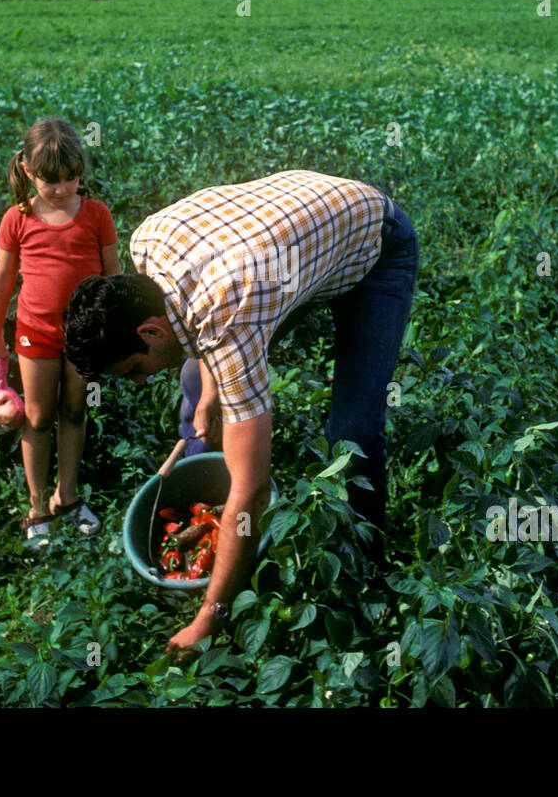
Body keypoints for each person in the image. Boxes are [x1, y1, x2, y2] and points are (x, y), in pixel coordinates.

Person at [64, 170, 418, 651]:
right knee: (194, 377)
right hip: (291, 246)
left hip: (374, 246)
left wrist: (210, 619)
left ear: (149, 332)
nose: (143, 381)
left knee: (351, 434)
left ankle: (366, 575)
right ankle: (210, 501)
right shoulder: (147, 243)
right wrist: (210, 385)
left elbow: (251, 491)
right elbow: (200, 315)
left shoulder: (230, 316)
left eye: (133, 370)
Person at [0, 118, 121, 547]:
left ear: (80, 172)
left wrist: (113, 328)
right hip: (35, 334)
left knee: (76, 411)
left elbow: (112, 277)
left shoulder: (97, 215)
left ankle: (68, 496)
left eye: (70, 178)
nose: (62, 189)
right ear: (28, 171)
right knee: (38, 416)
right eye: (50, 180)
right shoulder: (18, 218)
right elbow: (3, 279)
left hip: (82, 338)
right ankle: (36, 506)